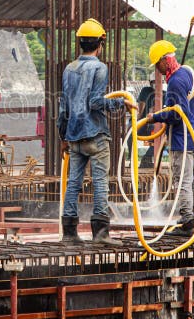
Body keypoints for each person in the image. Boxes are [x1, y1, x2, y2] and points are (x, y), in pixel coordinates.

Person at [57, 18, 136, 245]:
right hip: (95, 135)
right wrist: (121, 102)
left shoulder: (69, 68)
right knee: (100, 181)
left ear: (80, 43)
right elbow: (95, 102)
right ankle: (100, 232)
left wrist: (63, 136)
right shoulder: (100, 68)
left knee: (73, 182)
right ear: (101, 44)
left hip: (73, 136)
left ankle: (69, 233)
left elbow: (64, 106)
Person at [146, 40, 194, 236]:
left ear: (165, 61)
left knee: (182, 181)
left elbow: (176, 114)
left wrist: (154, 117)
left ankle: (187, 222)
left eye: (157, 64)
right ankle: (191, 216)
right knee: (190, 181)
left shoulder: (175, 82)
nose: (157, 69)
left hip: (183, 139)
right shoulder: (187, 72)